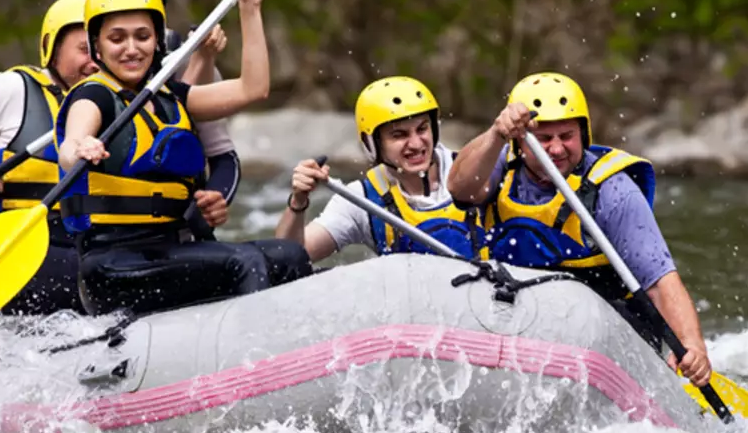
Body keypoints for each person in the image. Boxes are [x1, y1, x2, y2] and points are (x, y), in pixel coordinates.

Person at [55, 0, 310, 317]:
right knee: (244, 261)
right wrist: (80, 148)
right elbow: (70, 146)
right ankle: (257, 360)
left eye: (142, 36)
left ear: (158, 40)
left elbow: (253, 88)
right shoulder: (93, 96)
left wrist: (250, 8)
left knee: (290, 255)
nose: (131, 48)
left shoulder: (170, 95)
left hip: (168, 251)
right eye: (117, 38)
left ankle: (301, 350)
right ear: (96, 46)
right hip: (111, 265)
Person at [446, 71, 712, 386]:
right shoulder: (500, 164)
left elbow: (658, 281)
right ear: (521, 141)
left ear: (583, 135)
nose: (556, 149)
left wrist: (691, 343)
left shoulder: (612, 190)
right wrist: (495, 134)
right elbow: (460, 190)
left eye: (566, 136)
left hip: (606, 340)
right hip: (521, 329)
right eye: (544, 138)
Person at [0, 0, 98, 315]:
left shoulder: (119, 104)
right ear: (53, 49)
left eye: (100, 49)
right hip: (27, 250)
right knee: (93, 275)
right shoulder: (11, 90)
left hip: (98, 245)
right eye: (85, 49)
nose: (95, 62)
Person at [87, 0, 244, 213]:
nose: (131, 49)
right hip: (101, 222)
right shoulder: (77, 58)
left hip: (168, 219)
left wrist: (210, 206)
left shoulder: (184, 55)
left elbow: (221, 156)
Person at [275, 76, 484, 261]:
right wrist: (298, 201)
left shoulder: (478, 170)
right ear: (372, 144)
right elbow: (289, 257)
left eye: (422, 129)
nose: (416, 144)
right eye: (399, 135)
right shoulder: (361, 200)